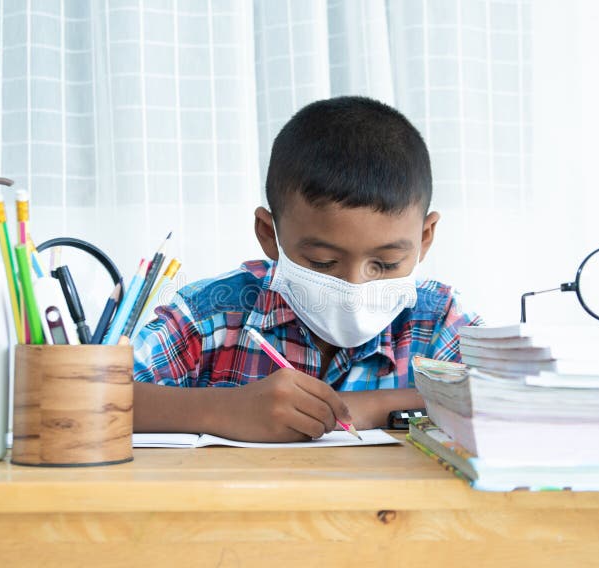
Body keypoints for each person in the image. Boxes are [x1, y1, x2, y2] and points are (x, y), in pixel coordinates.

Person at [133, 96, 481, 442]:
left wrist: (371, 406)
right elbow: (105, 398)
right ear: (269, 234)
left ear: (424, 237)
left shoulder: (438, 318)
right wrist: (223, 410)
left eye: (385, 264)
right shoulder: (212, 313)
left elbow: (501, 395)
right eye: (322, 262)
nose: (354, 287)